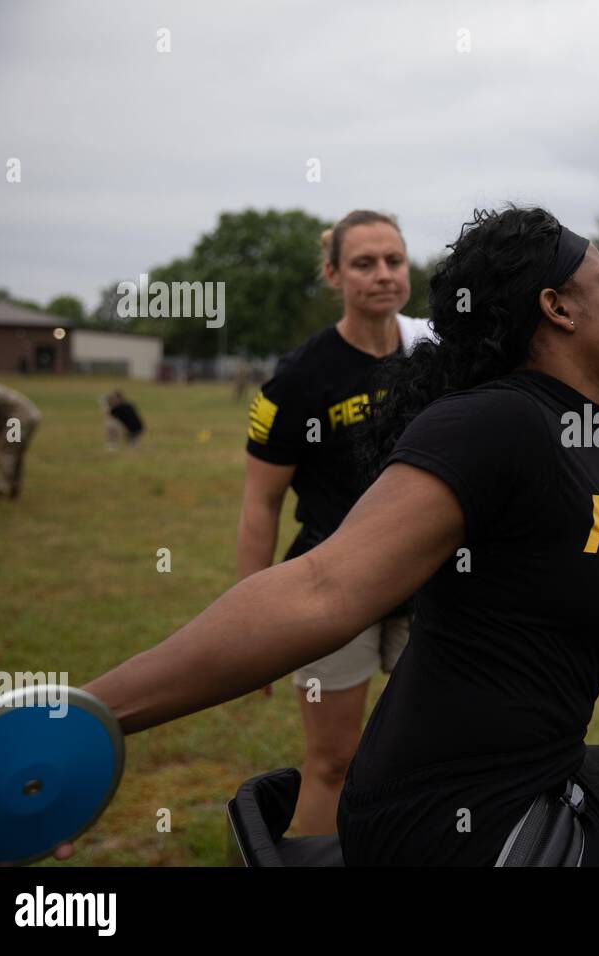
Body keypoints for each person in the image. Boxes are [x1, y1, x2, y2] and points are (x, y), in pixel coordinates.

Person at [71, 205, 599, 866]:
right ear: (558, 309)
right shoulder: (495, 423)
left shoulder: (562, 419)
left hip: (537, 769)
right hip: (460, 824)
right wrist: (84, 715)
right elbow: (322, 588)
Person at [238, 210, 435, 835]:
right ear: (332, 274)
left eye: (394, 261)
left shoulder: (433, 356)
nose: (383, 275)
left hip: (427, 583)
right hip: (333, 588)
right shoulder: (298, 379)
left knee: (433, 755)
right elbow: (260, 503)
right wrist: (253, 626)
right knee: (333, 760)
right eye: (364, 263)